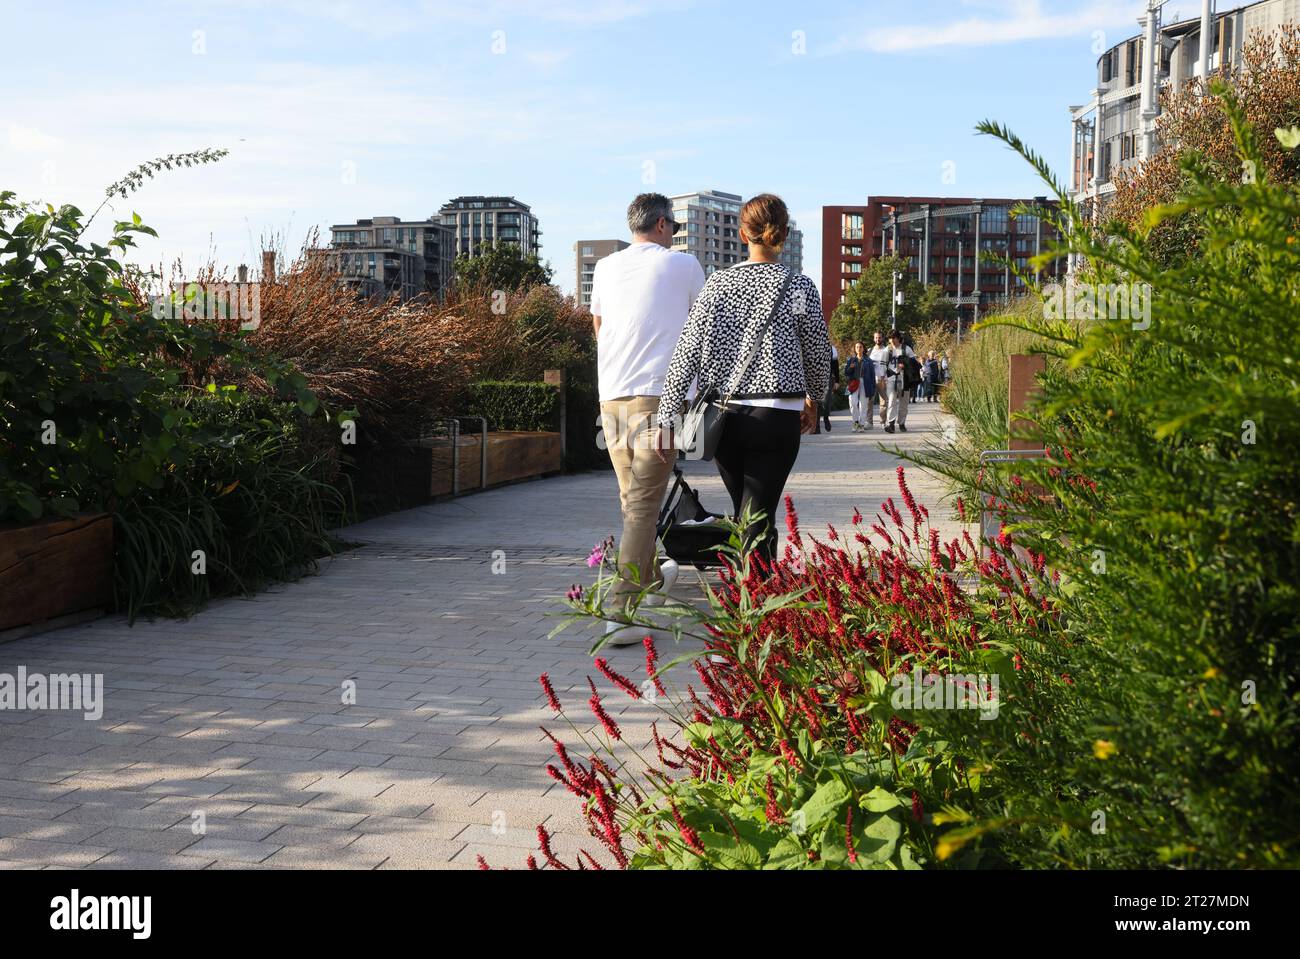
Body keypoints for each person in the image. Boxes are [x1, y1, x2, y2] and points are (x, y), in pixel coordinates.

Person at [654, 193, 831, 566]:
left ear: (741, 233)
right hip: (776, 415)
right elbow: (816, 352)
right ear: (783, 234)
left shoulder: (716, 287)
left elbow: (685, 355)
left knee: (748, 512)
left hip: (725, 418)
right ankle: (756, 601)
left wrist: (667, 419)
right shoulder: (798, 288)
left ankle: (751, 596)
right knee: (758, 515)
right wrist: (815, 400)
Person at [592, 192, 705, 645]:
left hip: (611, 396)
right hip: (660, 396)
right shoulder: (684, 266)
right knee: (640, 504)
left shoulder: (604, 267)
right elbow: (702, 327)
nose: (674, 234)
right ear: (661, 224)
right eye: (674, 227)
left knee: (632, 501)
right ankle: (620, 610)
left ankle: (655, 578)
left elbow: (598, 326)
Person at [883, 328, 917, 433]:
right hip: (891, 378)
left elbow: (914, 364)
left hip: (904, 379)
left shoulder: (907, 349)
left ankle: (901, 423)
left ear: (899, 338)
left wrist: (905, 365)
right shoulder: (887, 350)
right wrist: (883, 378)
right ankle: (891, 424)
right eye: (890, 338)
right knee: (892, 401)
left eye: (894, 338)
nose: (892, 340)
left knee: (904, 402)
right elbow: (883, 366)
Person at [844, 340, 875, 431]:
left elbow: (872, 375)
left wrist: (872, 388)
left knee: (863, 404)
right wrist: (851, 367)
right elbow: (846, 372)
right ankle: (855, 422)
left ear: (863, 348)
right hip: (853, 383)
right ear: (855, 349)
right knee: (852, 402)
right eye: (857, 347)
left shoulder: (868, 361)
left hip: (865, 383)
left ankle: (861, 424)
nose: (858, 348)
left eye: (860, 347)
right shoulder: (851, 359)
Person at [868, 330, 890, 427]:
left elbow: (889, 366)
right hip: (872, 380)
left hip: (882, 380)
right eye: (876, 337)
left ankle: (883, 422)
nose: (878, 339)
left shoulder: (886, 350)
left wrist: (886, 378)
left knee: (884, 402)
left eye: (879, 337)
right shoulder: (869, 351)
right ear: (874, 339)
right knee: (869, 402)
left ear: (882, 338)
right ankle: (869, 422)